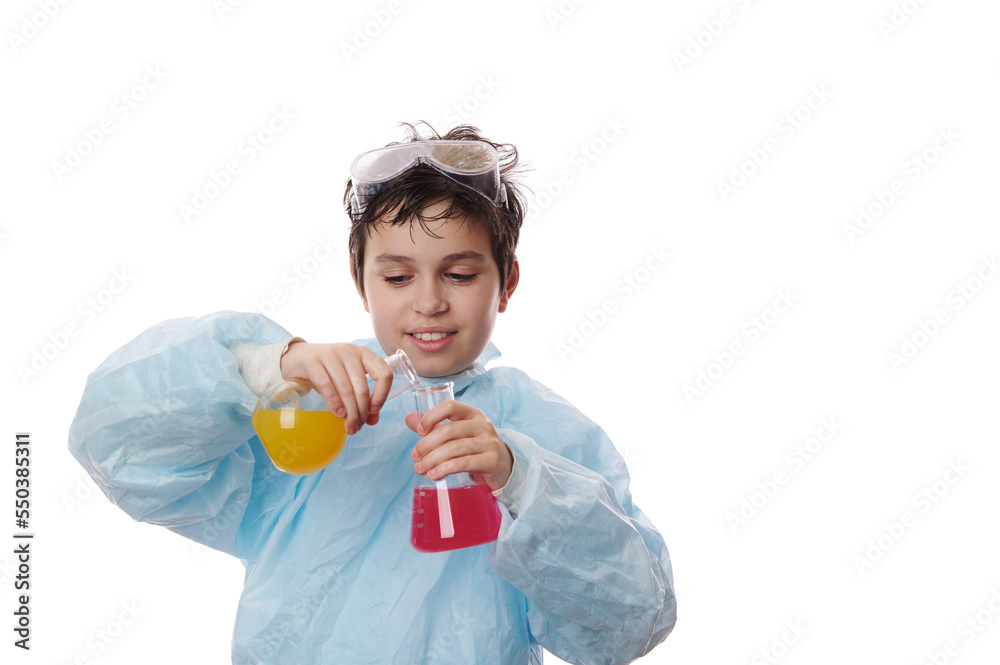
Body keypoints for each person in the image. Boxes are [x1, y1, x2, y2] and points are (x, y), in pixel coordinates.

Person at [68, 123, 676, 664]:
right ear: (361, 281)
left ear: (507, 281)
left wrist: (520, 478)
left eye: (460, 274)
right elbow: (116, 445)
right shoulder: (309, 400)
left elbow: (625, 628)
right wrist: (267, 366)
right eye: (397, 276)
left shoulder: (549, 434)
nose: (430, 300)